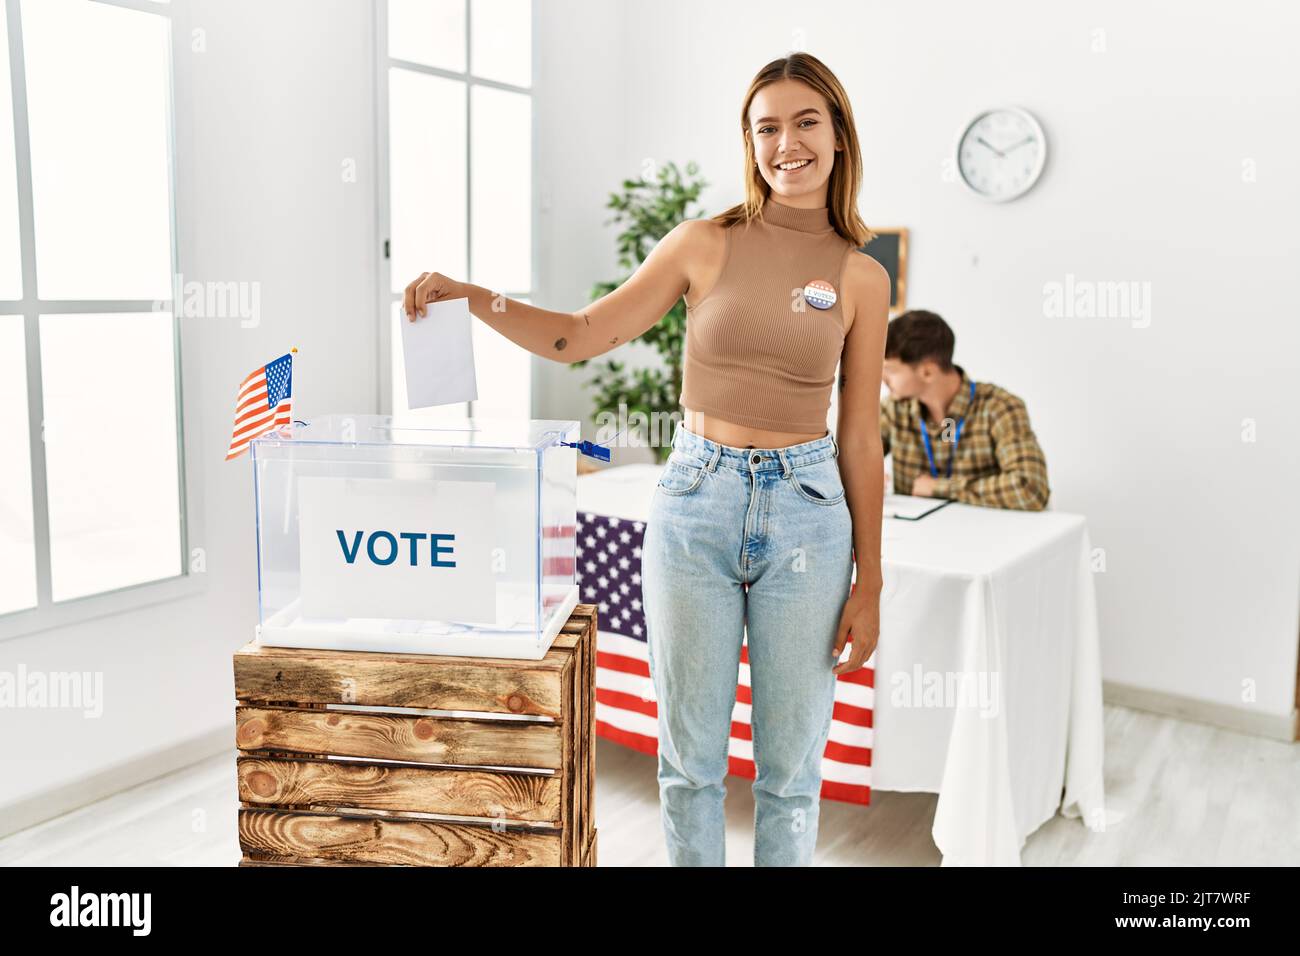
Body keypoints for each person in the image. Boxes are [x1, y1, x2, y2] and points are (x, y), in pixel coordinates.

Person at [402, 52, 890, 867]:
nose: (786, 143)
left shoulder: (861, 276)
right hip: (696, 499)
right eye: (766, 126)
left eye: (806, 122)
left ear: (838, 135)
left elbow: (860, 436)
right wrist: (471, 295)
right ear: (750, 142)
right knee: (691, 765)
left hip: (810, 513)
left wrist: (869, 581)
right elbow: (579, 335)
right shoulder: (704, 243)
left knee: (792, 773)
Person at [879, 310, 1050, 511]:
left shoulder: (999, 407)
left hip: (987, 535)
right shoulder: (893, 409)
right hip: (917, 538)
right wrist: (861, 477)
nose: (882, 378)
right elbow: (851, 459)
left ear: (927, 372)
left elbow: (1031, 488)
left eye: (889, 370)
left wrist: (939, 488)